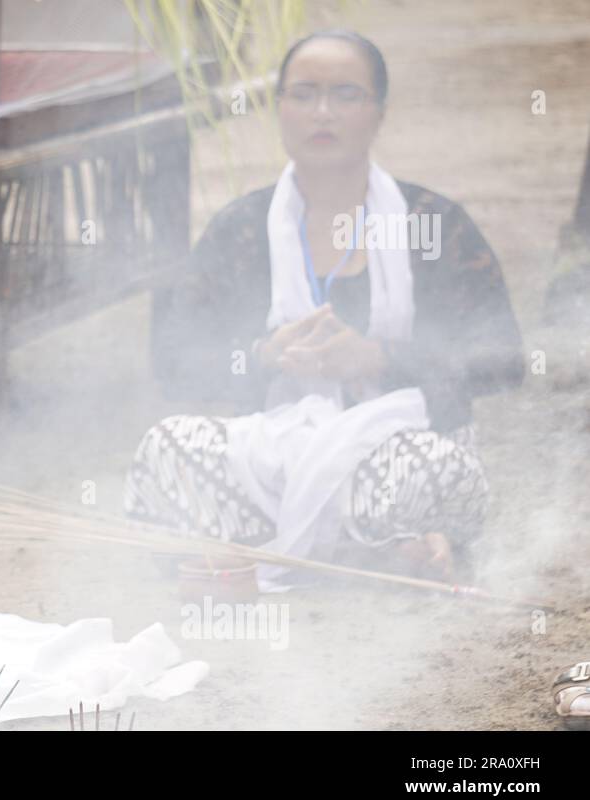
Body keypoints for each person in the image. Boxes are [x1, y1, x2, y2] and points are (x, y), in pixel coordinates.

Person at [124, 30, 524, 583]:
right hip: (275, 458)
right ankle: (384, 552)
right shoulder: (241, 228)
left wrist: (380, 360)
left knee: (435, 470)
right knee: (168, 448)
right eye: (304, 94)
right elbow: (173, 359)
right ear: (280, 108)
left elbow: (503, 359)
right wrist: (263, 355)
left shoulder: (432, 223)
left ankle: (276, 548)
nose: (323, 112)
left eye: (346, 94)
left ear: (379, 112)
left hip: (395, 455)